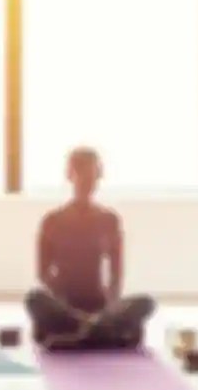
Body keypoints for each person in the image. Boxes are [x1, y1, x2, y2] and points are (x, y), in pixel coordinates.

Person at [26, 148, 155, 350]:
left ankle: (83, 333)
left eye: (93, 176)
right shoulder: (52, 221)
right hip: (65, 306)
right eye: (83, 175)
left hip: (99, 306)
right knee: (34, 299)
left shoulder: (109, 220)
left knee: (146, 302)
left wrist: (111, 307)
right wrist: (63, 304)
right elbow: (42, 272)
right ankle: (97, 333)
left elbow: (116, 273)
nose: (88, 182)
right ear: (70, 176)